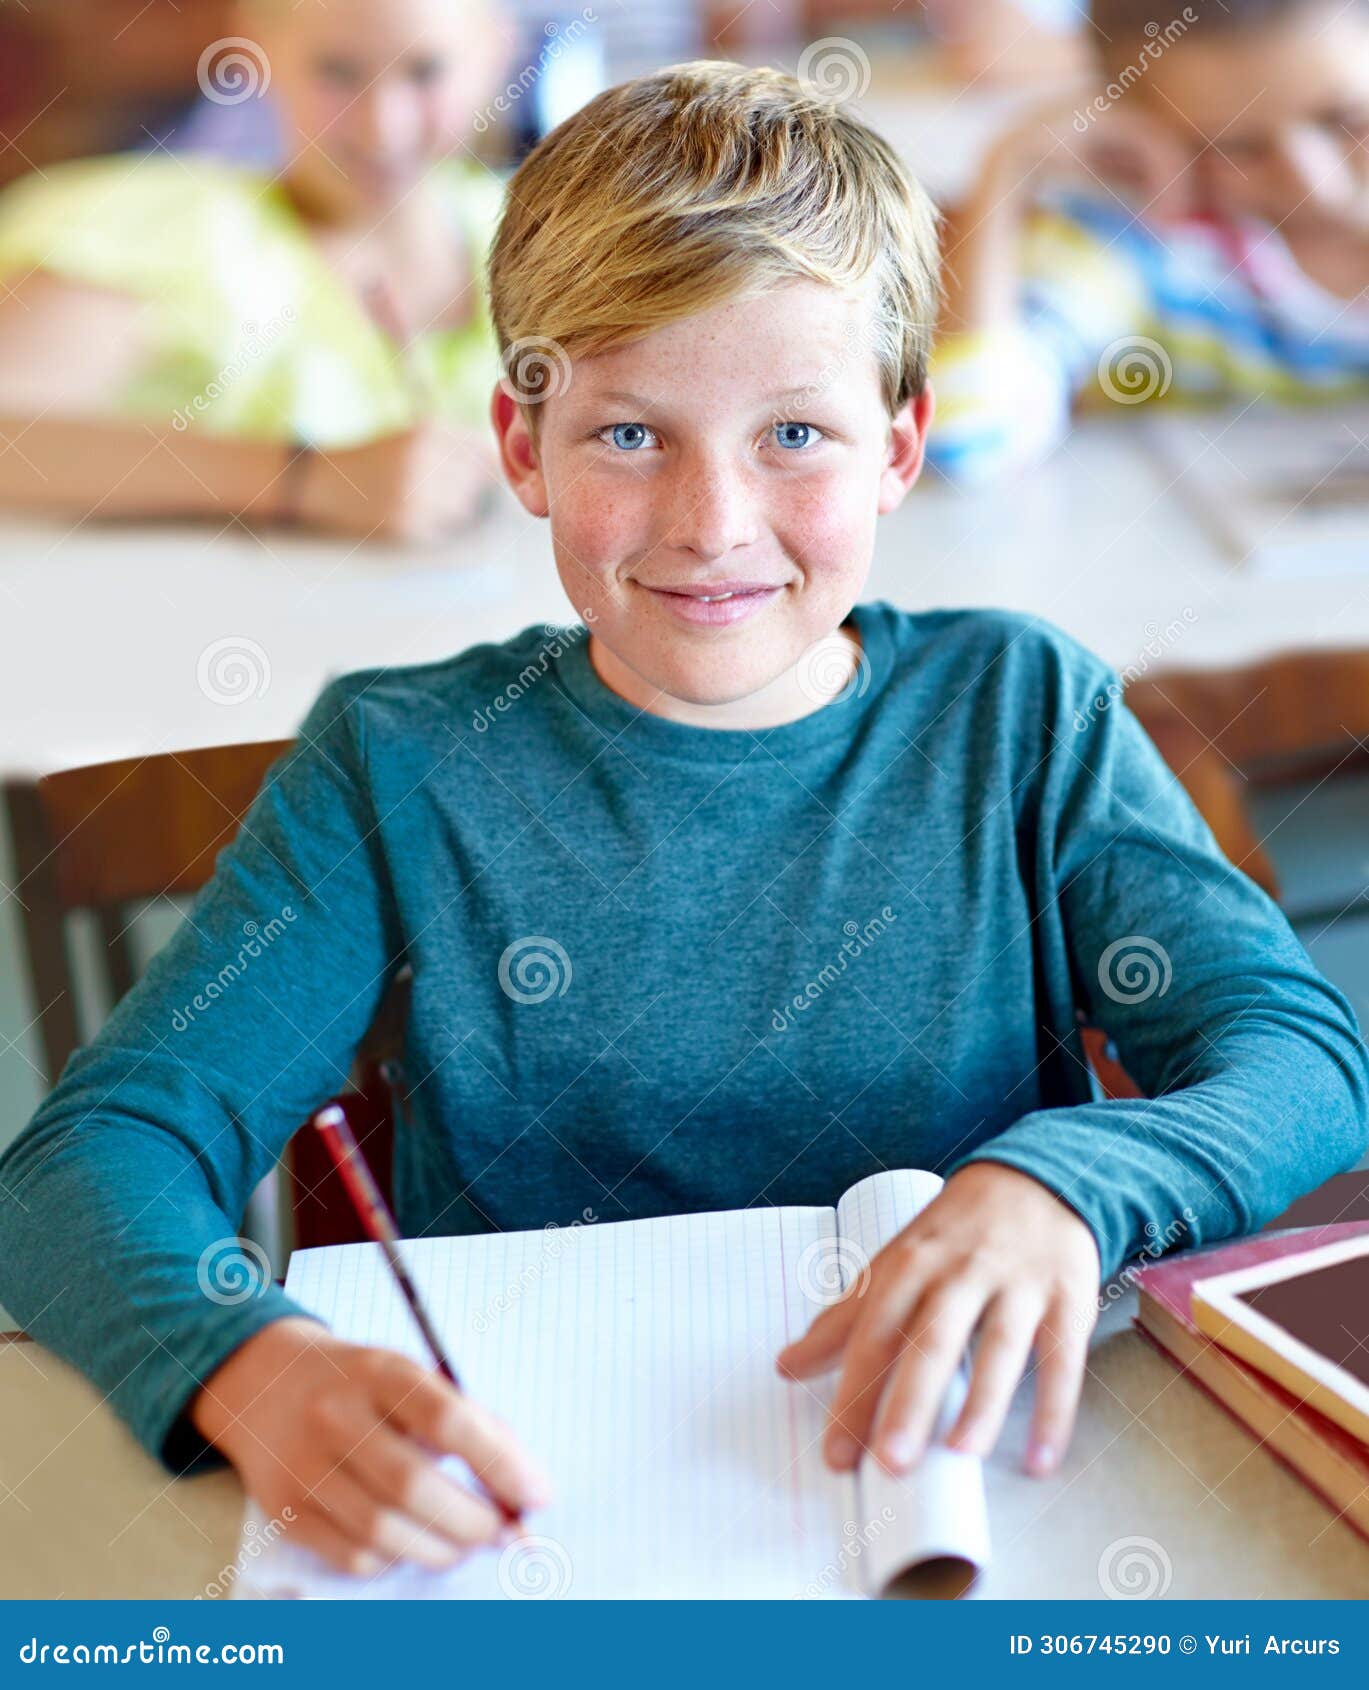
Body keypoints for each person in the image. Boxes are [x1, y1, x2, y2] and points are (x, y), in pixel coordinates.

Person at [1, 61, 1365, 1579]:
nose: (712, 523)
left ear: (900, 446)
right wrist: (238, 1360)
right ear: (524, 447)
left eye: (794, 434)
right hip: (533, 1521)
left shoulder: (1021, 711)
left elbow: (1300, 1056)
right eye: (630, 435)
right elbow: (87, 1159)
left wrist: (1069, 1184)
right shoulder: (399, 761)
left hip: (983, 1486)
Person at [0, 0, 512, 541]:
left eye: (426, 70)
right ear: (256, 52)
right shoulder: (170, 232)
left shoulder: (545, 231)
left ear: (494, 53)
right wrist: (307, 481)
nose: (384, 128)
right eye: (336, 70)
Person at [928, 0, 1369, 484]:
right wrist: (1010, 167)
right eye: (1233, 145)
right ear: (1136, 131)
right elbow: (970, 439)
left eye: (1344, 117)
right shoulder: (1127, 255)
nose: (1314, 183)